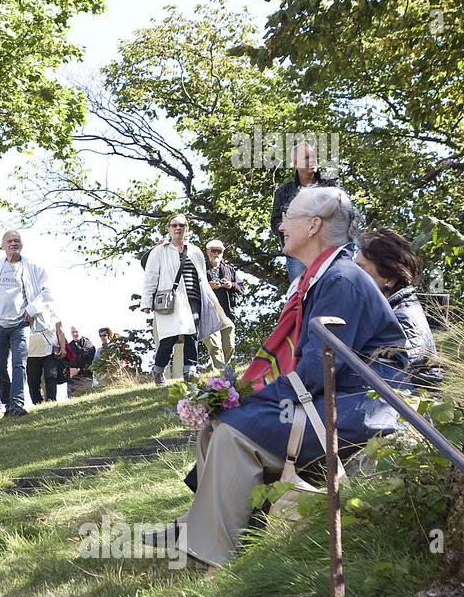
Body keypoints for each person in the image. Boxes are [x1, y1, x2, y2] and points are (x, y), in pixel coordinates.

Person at [148, 188, 409, 567]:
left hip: (359, 410)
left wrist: (246, 399)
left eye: (289, 217)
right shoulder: (324, 277)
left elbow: (318, 372)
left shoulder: (341, 280)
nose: (282, 225)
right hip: (331, 400)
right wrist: (235, 397)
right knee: (215, 428)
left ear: (314, 225)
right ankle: (211, 537)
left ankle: (213, 556)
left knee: (233, 432)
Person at [0, 230, 56, 417]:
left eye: (17, 240)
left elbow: (47, 292)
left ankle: (17, 404)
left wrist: (32, 309)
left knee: (19, 364)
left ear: (22, 245)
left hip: (21, 324)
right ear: (3, 245)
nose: (13, 243)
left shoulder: (32, 267)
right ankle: (8, 403)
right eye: (9, 241)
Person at [141, 214, 230, 384]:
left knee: (192, 334)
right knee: (169, 337)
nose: (177, 228)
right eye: (174, 225)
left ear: (186, 228)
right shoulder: (159, 251)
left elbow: (202, 277)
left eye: (181, 225)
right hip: (170, 299)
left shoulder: (195, 251)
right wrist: (146, 302)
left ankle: (190, 372)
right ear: (168, 229)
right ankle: (158, 370)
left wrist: (211, 301)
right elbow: (151, 277)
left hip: (194, 298)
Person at [355, 229, 444, 390]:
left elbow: (402, 385)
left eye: (362, 269)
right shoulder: (393, 309)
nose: (353, 275)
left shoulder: (402, 319)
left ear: (390, 279)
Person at [270, 141, 337, 283]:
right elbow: (275, 222)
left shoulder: (330, 187)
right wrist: (291, 235)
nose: (311, 160)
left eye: (313, 156)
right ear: (295, 163)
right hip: (298, 253)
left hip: (327, 249)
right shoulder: (283, 192)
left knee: (333, 288)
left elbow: (340, 216)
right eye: (306, 158)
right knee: (301, 296)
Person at [202, 239, 241, 369]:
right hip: (207, 311)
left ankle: (225, 368)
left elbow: (241, 288)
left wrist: (230, 285)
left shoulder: (229, 269)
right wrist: (208, 286)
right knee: (214, 345)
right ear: (208, 252)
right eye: (214, 250)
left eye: (219, 251)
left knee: (229, 345)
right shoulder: (200, 268)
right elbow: (190, 286)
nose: (216, 253)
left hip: (226, 312)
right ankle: (220, 370)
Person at [64, 326, 96, 396]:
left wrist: (79, 369)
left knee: (87, 395)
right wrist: (70, 369)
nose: (75, 334)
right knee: (72, 397)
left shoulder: (89, 344)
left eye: (76, 332)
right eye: (73, 332)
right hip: (73, 378)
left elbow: (90, 360)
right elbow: (66, 361)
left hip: (86, 375)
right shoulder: (69, 346)